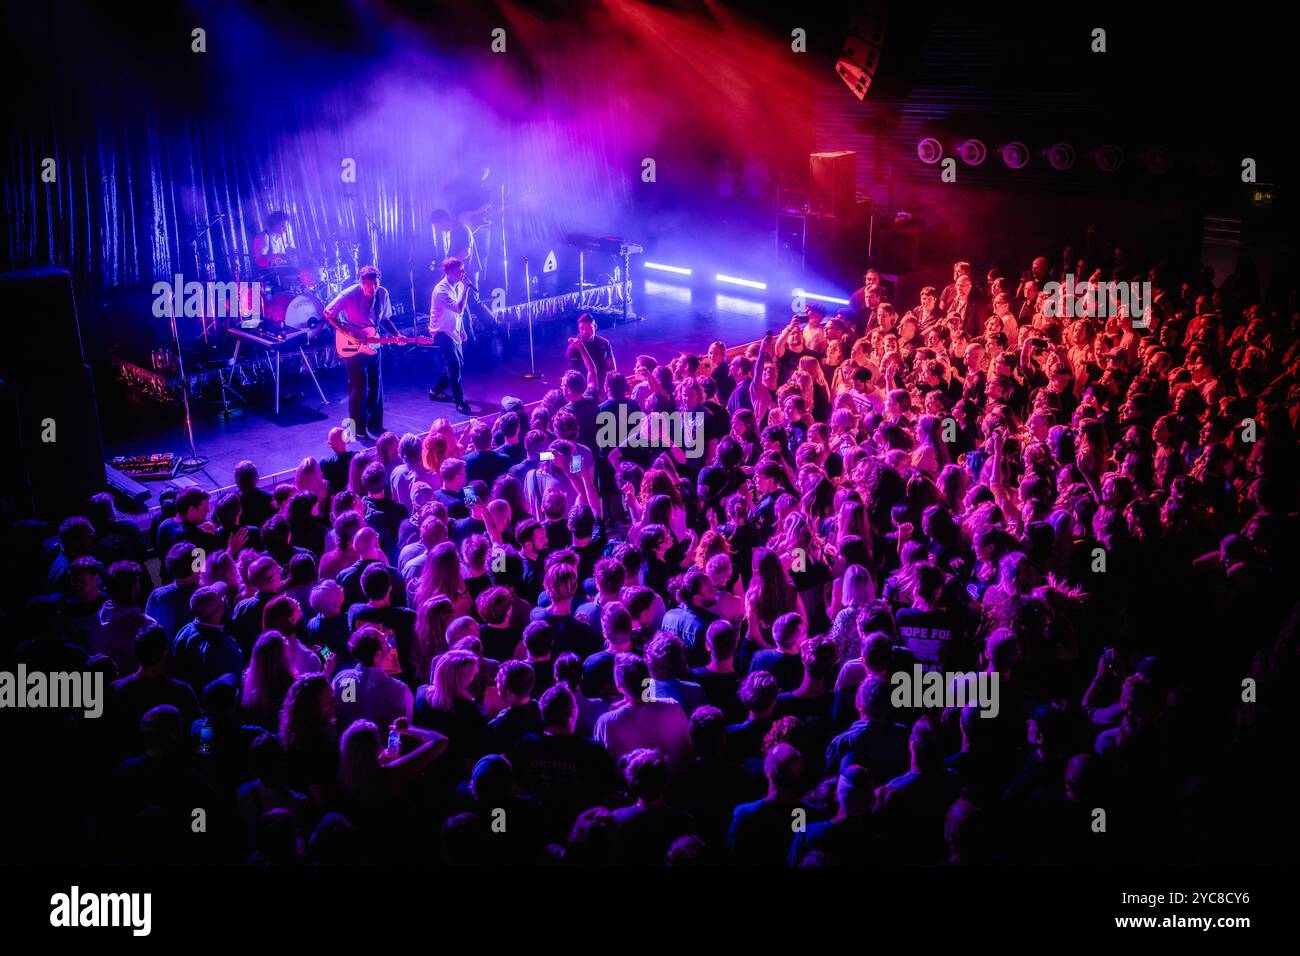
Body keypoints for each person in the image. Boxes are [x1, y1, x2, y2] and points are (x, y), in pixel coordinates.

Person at [322, 265, 399, 440]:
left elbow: (385, 318)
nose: (373, 289)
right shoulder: (349, 294)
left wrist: (396, 335)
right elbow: (327, 313)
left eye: (376, 284)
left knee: (376, 386)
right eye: (369, 285)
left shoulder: (383, 294)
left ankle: (375, 425)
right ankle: (357, 427)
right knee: (359, 387)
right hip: (353, 344)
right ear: (361, 283)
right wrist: (345, 332)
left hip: (373, 344)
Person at [428, 256, 473, 414]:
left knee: (456, 364)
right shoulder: (441, 290)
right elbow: (459, 308)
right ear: (448, 272)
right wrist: (467, 288)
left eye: (463, 270)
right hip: (441, 331)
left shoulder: (459, 285)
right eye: (458, 271)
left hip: (453, 330)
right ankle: (459, 402)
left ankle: (435, 391)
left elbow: (458, 315)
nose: (462, 273)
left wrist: (461, 330)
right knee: (454, 366)